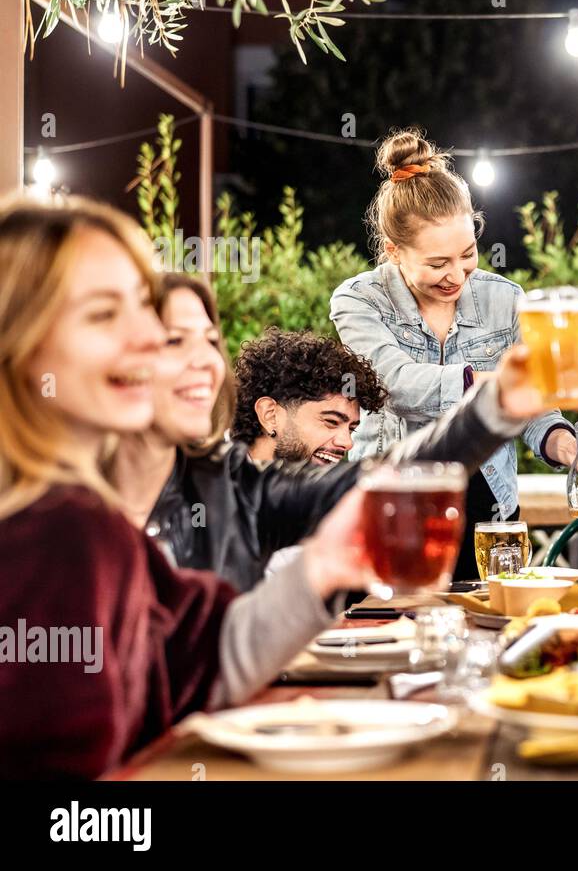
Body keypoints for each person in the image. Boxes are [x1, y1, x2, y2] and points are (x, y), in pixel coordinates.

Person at [0, 196, 376, 779]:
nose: (149, 339)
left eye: (142, 310)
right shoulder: (59, 534)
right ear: (20, 347)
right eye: (103, 315)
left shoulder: (90, 523)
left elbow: (195, 658)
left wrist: (322, 569)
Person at [109, 273, 578, 592]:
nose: (204, 361)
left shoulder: (231, 485)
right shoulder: (71, 505)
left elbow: (384, 479)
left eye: (210, 341)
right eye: (175, 340)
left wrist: (499, 405)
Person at [332, 127, 578, 578]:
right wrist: (497, 385)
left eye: (468, 254)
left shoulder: (504, 300)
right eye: (437, 264)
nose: (457, 275)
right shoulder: (358, 302)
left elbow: (532, 408)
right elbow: (396, 384)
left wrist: (564, 443)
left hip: (490, 514)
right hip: (394, 508)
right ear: (393, 252)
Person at [234, 327, 388, 466]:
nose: (347, 443)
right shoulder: (215, 488)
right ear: (270, 415)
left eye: (351, 429)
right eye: (331, 422)